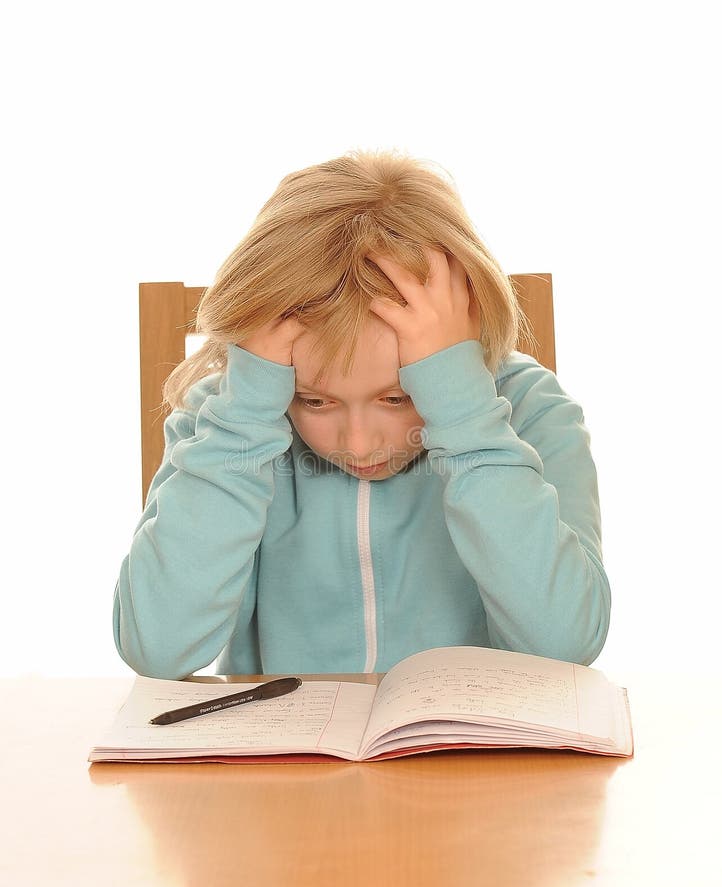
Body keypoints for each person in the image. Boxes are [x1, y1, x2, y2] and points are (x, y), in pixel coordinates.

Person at [113, 149, 611, 680]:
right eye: (314, 400)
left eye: (398, 398)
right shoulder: (227, 417)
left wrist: (460, 407)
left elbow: (565, 646)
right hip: (286, 757)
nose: (359, 444)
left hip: (476, 757)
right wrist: (246, 412)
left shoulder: (529, 411)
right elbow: (157, 650)